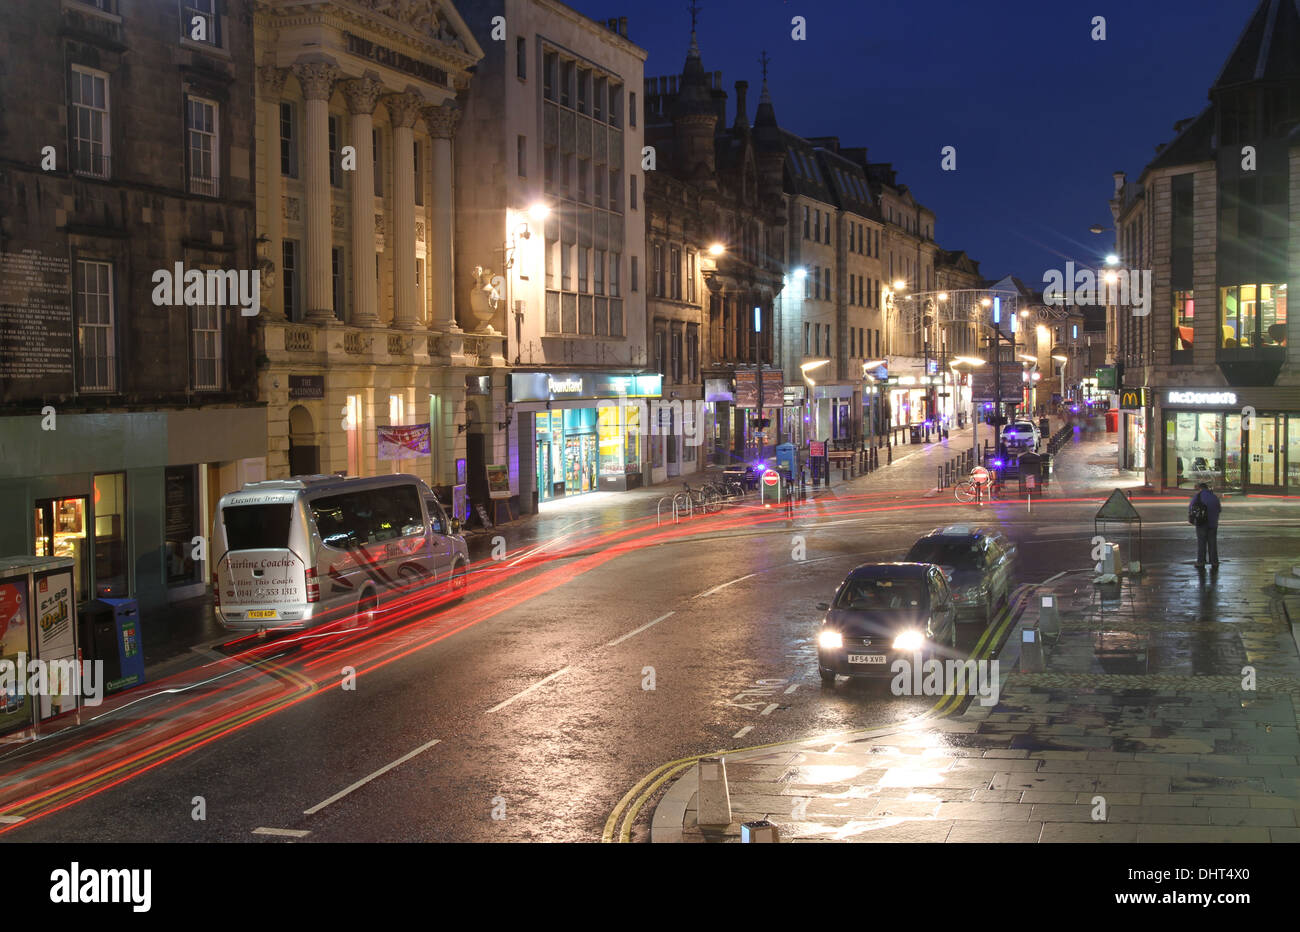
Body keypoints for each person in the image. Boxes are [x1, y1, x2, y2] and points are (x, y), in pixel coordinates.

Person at [1189, 482, 1221, 567]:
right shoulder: (1214, 497)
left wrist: (1192, 519)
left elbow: (1191, 507)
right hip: (1213, 523)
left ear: (1200, 488)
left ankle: (1201, 562)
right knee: (1212, 543)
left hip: (1201, 522)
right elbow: (1219, 509)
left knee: (1201, 543)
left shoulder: (1198, 496)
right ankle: (1214, 561)